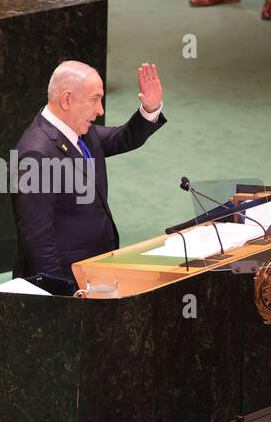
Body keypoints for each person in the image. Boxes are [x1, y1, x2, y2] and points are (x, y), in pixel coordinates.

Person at [12, 62, 165, 283]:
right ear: (66, 100)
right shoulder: (35, 154)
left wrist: (150, 109)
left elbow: (124, 137)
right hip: (69, 282)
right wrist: (65, 295)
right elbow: (38, 243)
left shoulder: (81, 132)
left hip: (95, 271)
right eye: (95, 99)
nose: (100, 109)